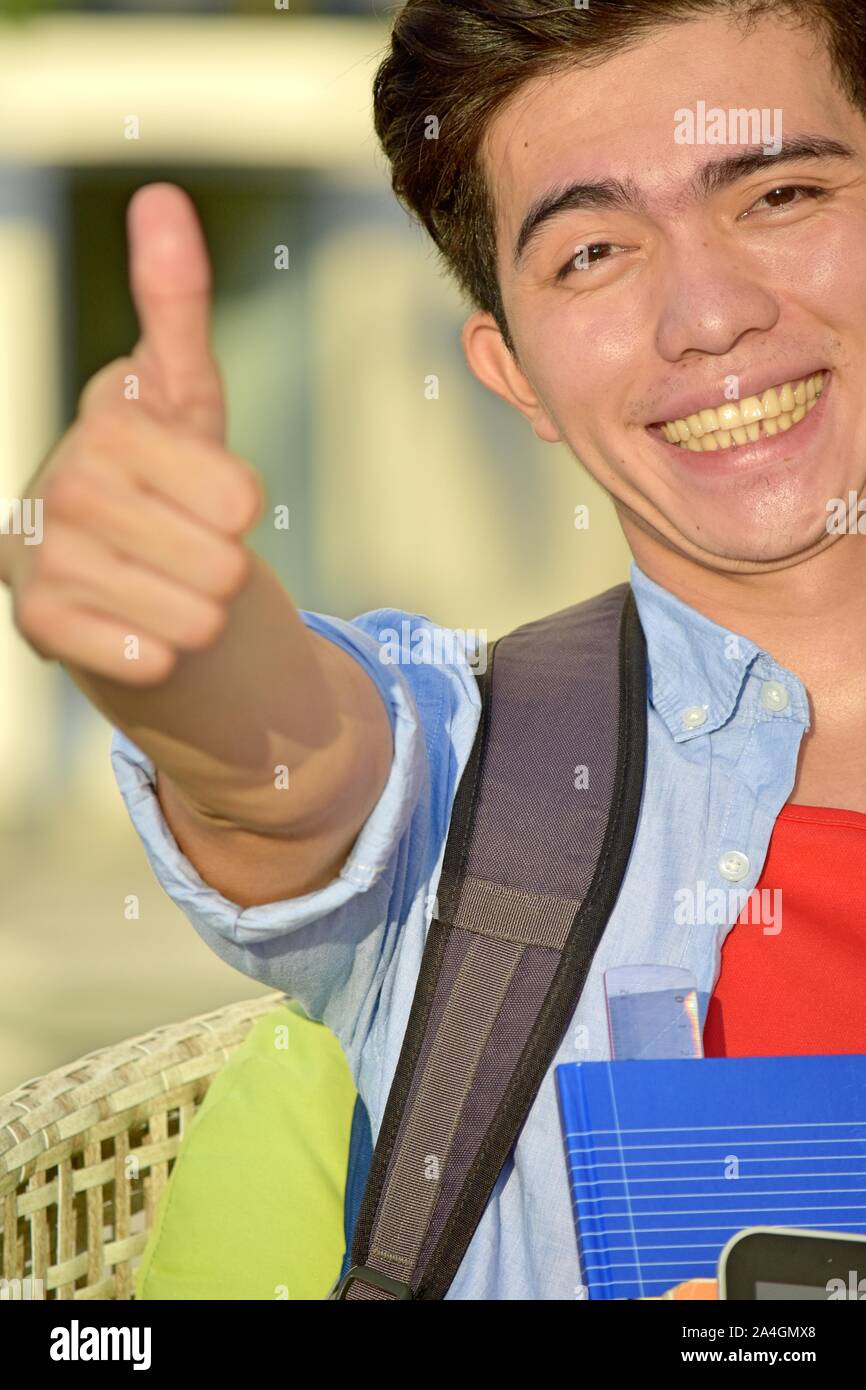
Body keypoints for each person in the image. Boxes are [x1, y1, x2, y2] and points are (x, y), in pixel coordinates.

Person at [2, 0, 864, 1300]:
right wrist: (168, 649)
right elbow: (286, 759)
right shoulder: (484, 771)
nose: (705, 313)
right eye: (588, 253)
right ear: (510, 374)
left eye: (780, 193)